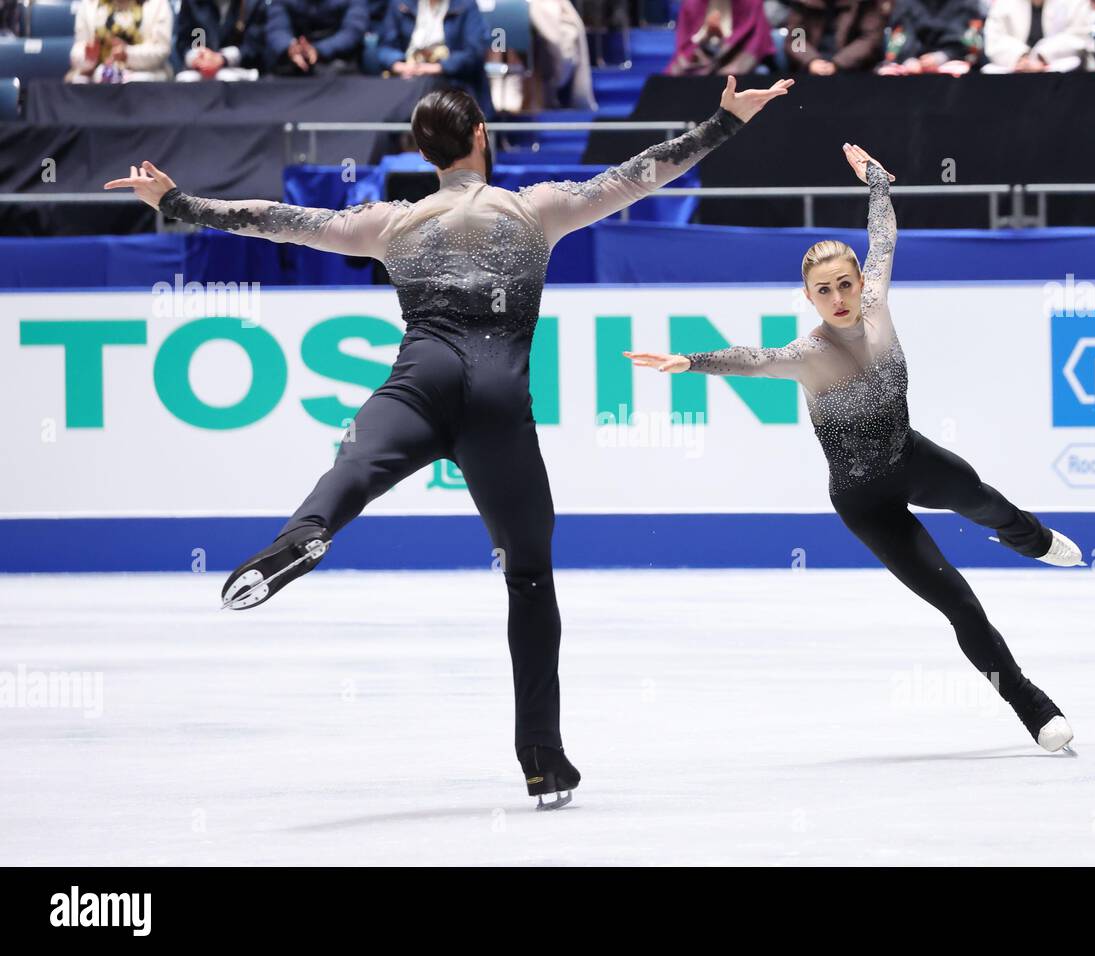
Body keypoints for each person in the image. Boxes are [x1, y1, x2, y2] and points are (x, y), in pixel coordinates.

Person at [104, 76, 794, 807]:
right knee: (528, 576)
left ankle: (306, 531)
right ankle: (543, 759)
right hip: (498, 393)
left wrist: (176, 203)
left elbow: (279, 220)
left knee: (356, 463)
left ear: (422, 150)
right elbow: (644, 173)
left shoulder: (388, 223)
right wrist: (724, 121)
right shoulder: (537, 210)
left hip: (420, 381)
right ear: (480, 137)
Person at [624, 143, 1080, 753]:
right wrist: (692, 360)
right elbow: (752, 358)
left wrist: (877, 183)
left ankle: (1036, 540)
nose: (837, 297)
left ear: (860, 283)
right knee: (960, 604)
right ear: (808, 297)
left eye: (845, 284)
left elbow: (883, 236)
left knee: (987, 503)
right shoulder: (807, 357)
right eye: (823, 290)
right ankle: (1033, 707)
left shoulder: (877, 304)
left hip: (912, 458)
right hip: (866, 504)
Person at [374, 0, 490, 111]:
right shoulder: (401, 3)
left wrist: (437, 68)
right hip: (405, 74)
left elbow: (474, 52)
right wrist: (399, 65)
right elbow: (384, 47)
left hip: (448, 79)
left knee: (425, 91)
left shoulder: (465, 4)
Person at [67, 0, 174, 83]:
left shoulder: (157, 4)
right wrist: (88, 58)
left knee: (136, 81)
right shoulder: (89, 4)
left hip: (143, 75)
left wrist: (127, 54)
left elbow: (161, 49)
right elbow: (78, 49)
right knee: (80, 81)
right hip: (98, 74)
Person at [668, 0, 777, 76]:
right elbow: (685, 42)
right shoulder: (692, 4)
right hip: (700, 62)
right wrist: (694, 57)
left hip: (737, 61)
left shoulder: (751, 3)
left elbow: (757, 41)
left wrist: (734, 65)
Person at [783, 0, 894, 75]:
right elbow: (796, 38)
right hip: (809, 69)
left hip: (854, 69)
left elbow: (870, 38)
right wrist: (811, 61)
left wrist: (838, 63)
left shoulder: (866, 3)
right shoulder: (803, 2)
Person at [981, 0, 1093, 72]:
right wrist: (1021, 57)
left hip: (1061, 74)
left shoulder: (1075, 3)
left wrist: (1042, 56)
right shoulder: (1003, 4)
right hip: (1015, 70)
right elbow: (994, 38)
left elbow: (1082, 36)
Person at [172, 0, 268, 81]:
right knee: (187, 80)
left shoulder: (253, 3)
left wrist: (222, 59)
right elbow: (183, 42)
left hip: (240, 71)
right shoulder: (192, 2)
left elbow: (254, 46)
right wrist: (198, 57)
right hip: (199, 69)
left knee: (228, 77)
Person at [264, 0, 369, 74]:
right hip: (292, 66)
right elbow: (277, 29)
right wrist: (291, 47)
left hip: (339, 65)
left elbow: (352, 31)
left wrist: (318, 50)